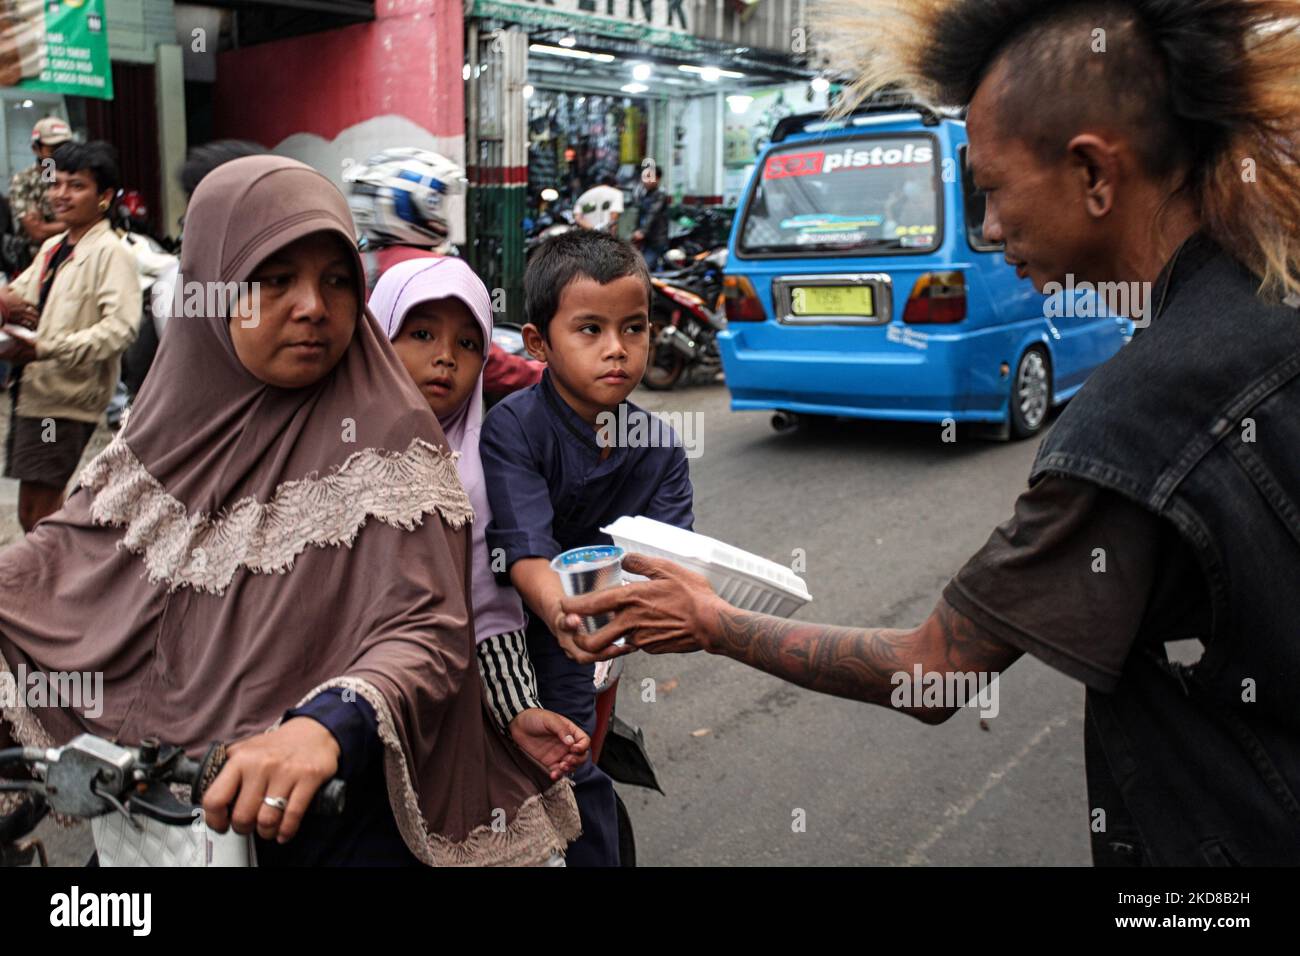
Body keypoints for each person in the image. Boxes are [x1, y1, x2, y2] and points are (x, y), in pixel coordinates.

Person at [564, 0, 1300, 866]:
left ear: (1095, 175)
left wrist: (711, 620)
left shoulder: (1138, 417)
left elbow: (931, 672)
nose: (988, 227)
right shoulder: (1269, 308)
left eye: (989, 189)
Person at [0, 155, 581, 866]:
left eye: (337, 280)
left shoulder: (387, 436)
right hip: (162, 808)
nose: (312, 306)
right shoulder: (160, 432)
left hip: (334, 809)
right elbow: (55, 563)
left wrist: (323, 727)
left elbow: (426, 627)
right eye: (275, 280)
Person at [479, 229, 696, 865]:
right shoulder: (513, 427)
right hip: (514, 633)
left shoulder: (658, 447)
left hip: (597, 640)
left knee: (571, 763)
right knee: (539, 776)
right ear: (538, 342)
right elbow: (524, 553)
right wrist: (567, 615)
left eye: (634, 328)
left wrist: (657, 611)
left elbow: (667, 560)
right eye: (590, 330)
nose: (617, 351)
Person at [369, 254, 591, 775]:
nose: (445, 357)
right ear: (377, 336)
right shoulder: (315, 449)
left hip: (436, 728)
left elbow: (487, 615)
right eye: (421, 334)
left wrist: (518, 708)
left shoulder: (473, 473)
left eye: (468, 343)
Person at [0, 141, 141, 532]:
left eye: (76, 185)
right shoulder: (52, 248)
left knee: (38, 511)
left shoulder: (112, 253)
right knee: (37, 507)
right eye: (56, 183)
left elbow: (121, 328)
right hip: (34, 394)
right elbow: (17, 298)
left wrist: (45, 347)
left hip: (63, 405)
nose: (61, 194)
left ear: (104, 197)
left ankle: (50, 586)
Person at [344, 147, 543, 403]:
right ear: (418, 203)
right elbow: (488, 363)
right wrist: (539, 374)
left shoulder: (354, 262)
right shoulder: (435, 271)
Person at [8, 117, 71, 264]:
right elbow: (38, 232)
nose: (61, 154)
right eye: (53, 149)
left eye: (65, 147)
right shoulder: (22, 180)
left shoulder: (78, 175)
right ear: (36, 149)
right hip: (36, 261)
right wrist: (77, 222)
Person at [631, 163, 671, 271]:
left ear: (658, 178)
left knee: (646, 268)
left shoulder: (660, 195)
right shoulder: (645, 194)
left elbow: (652, 213)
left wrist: (642, 232)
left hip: (656, 239)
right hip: (646, 240)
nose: (645, 181)